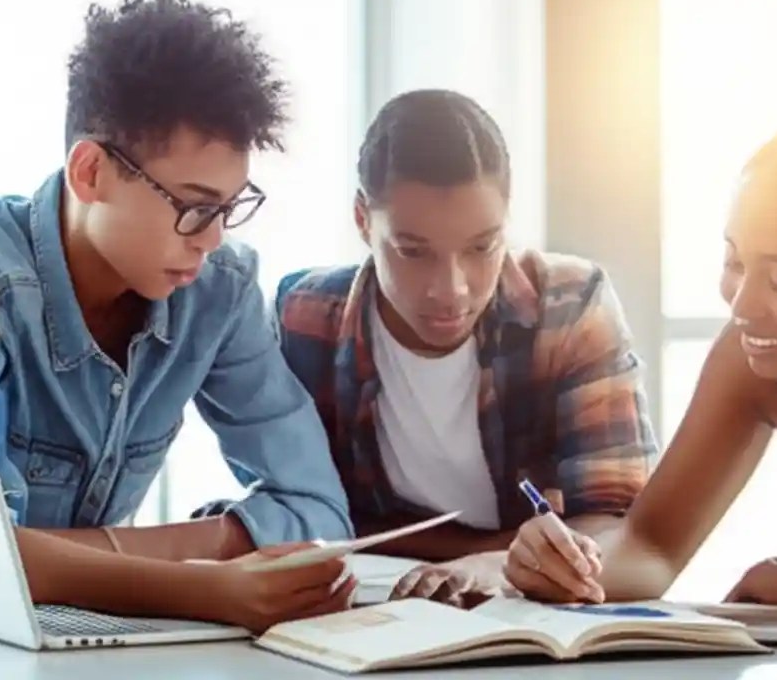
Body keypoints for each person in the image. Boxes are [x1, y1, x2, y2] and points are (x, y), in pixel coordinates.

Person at [0, 0, 357, 633]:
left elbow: (319, 513)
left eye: (229, 209)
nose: (210, 240)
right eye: (194, 205)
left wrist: (95, 559)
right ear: (91, 171)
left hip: (103, 642)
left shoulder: (218, 290)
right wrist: (204, 588)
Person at [436, 110, 777, 636]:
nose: (742, 304)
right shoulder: (753, 361)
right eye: (735, 262)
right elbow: (651, 546)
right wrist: (566, 564)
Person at [265, 89, 659, 605]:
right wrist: (500, 545)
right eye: (413, 251)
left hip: (533, 616)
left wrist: (494, 563)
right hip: (372, 614)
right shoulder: (305, 314)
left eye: (481, 247)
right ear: (363, 220)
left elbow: (616, 521)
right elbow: (301, 516)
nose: (452, 289)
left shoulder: (569, 306)